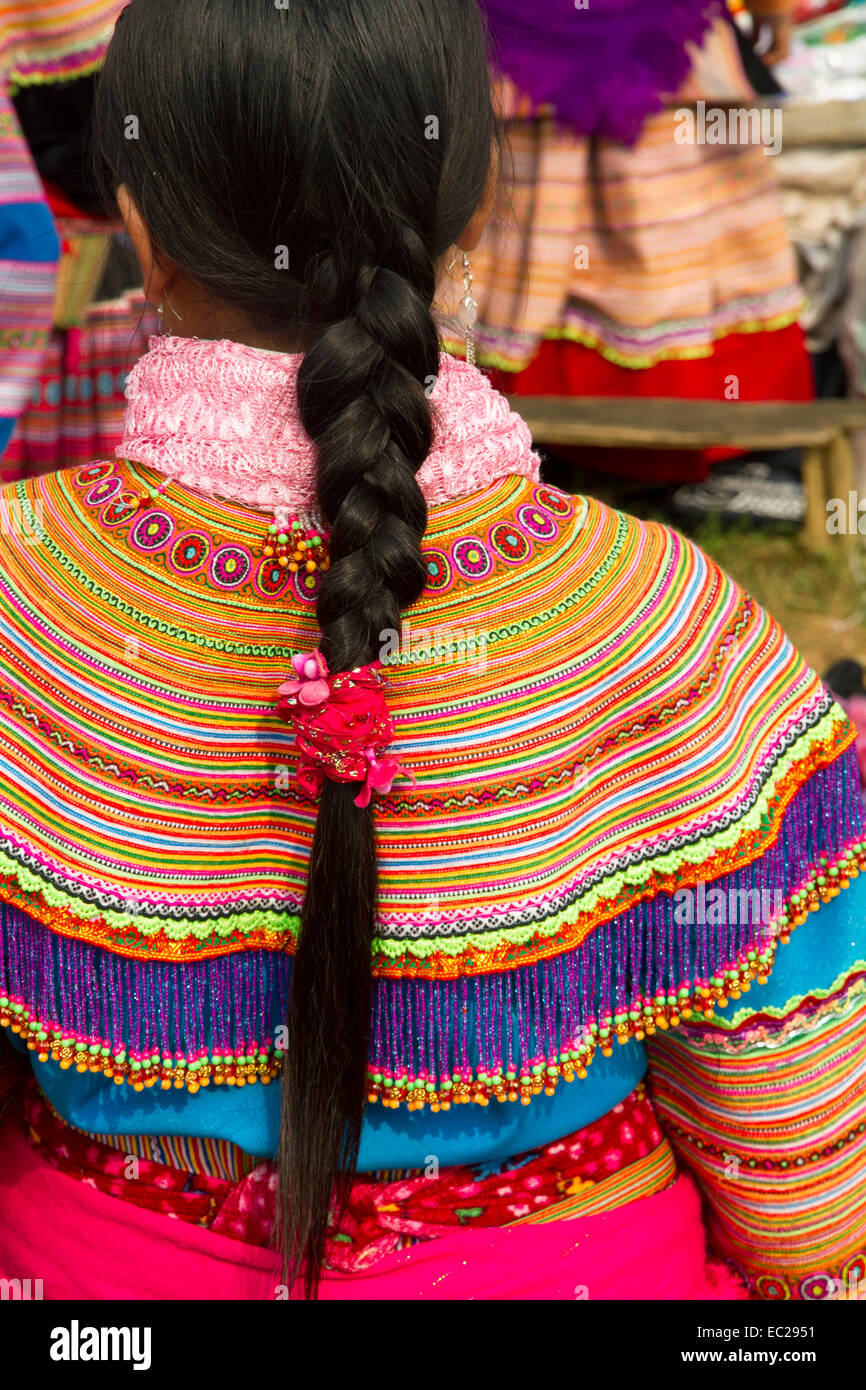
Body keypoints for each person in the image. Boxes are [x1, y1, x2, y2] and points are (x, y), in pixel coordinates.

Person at [0, 0, 863, 1302]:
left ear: (141, 229)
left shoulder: (21, 589)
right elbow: (800, 1166)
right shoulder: (666, 624)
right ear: (477, 214)